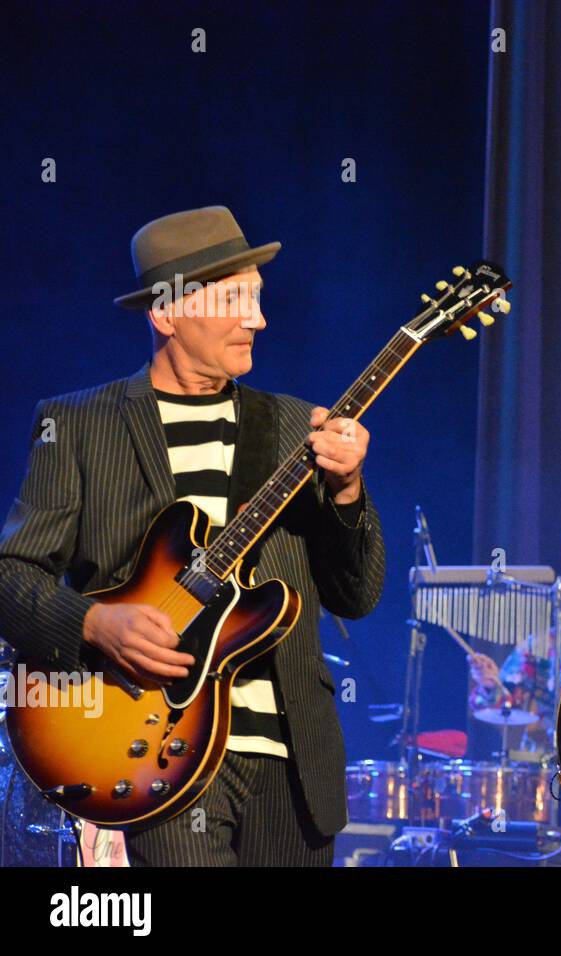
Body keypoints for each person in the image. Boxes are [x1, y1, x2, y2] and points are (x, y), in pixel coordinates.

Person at [0, 206, 385, 866]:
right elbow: (11, 577)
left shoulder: (298, 428)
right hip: (156, 754)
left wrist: (348, 493)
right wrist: (94, 625)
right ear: (166, 314)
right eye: (237, 299)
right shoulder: (78, 425)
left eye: (259, 300)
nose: (258, 320)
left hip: (291, 766)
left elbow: (356, 594)